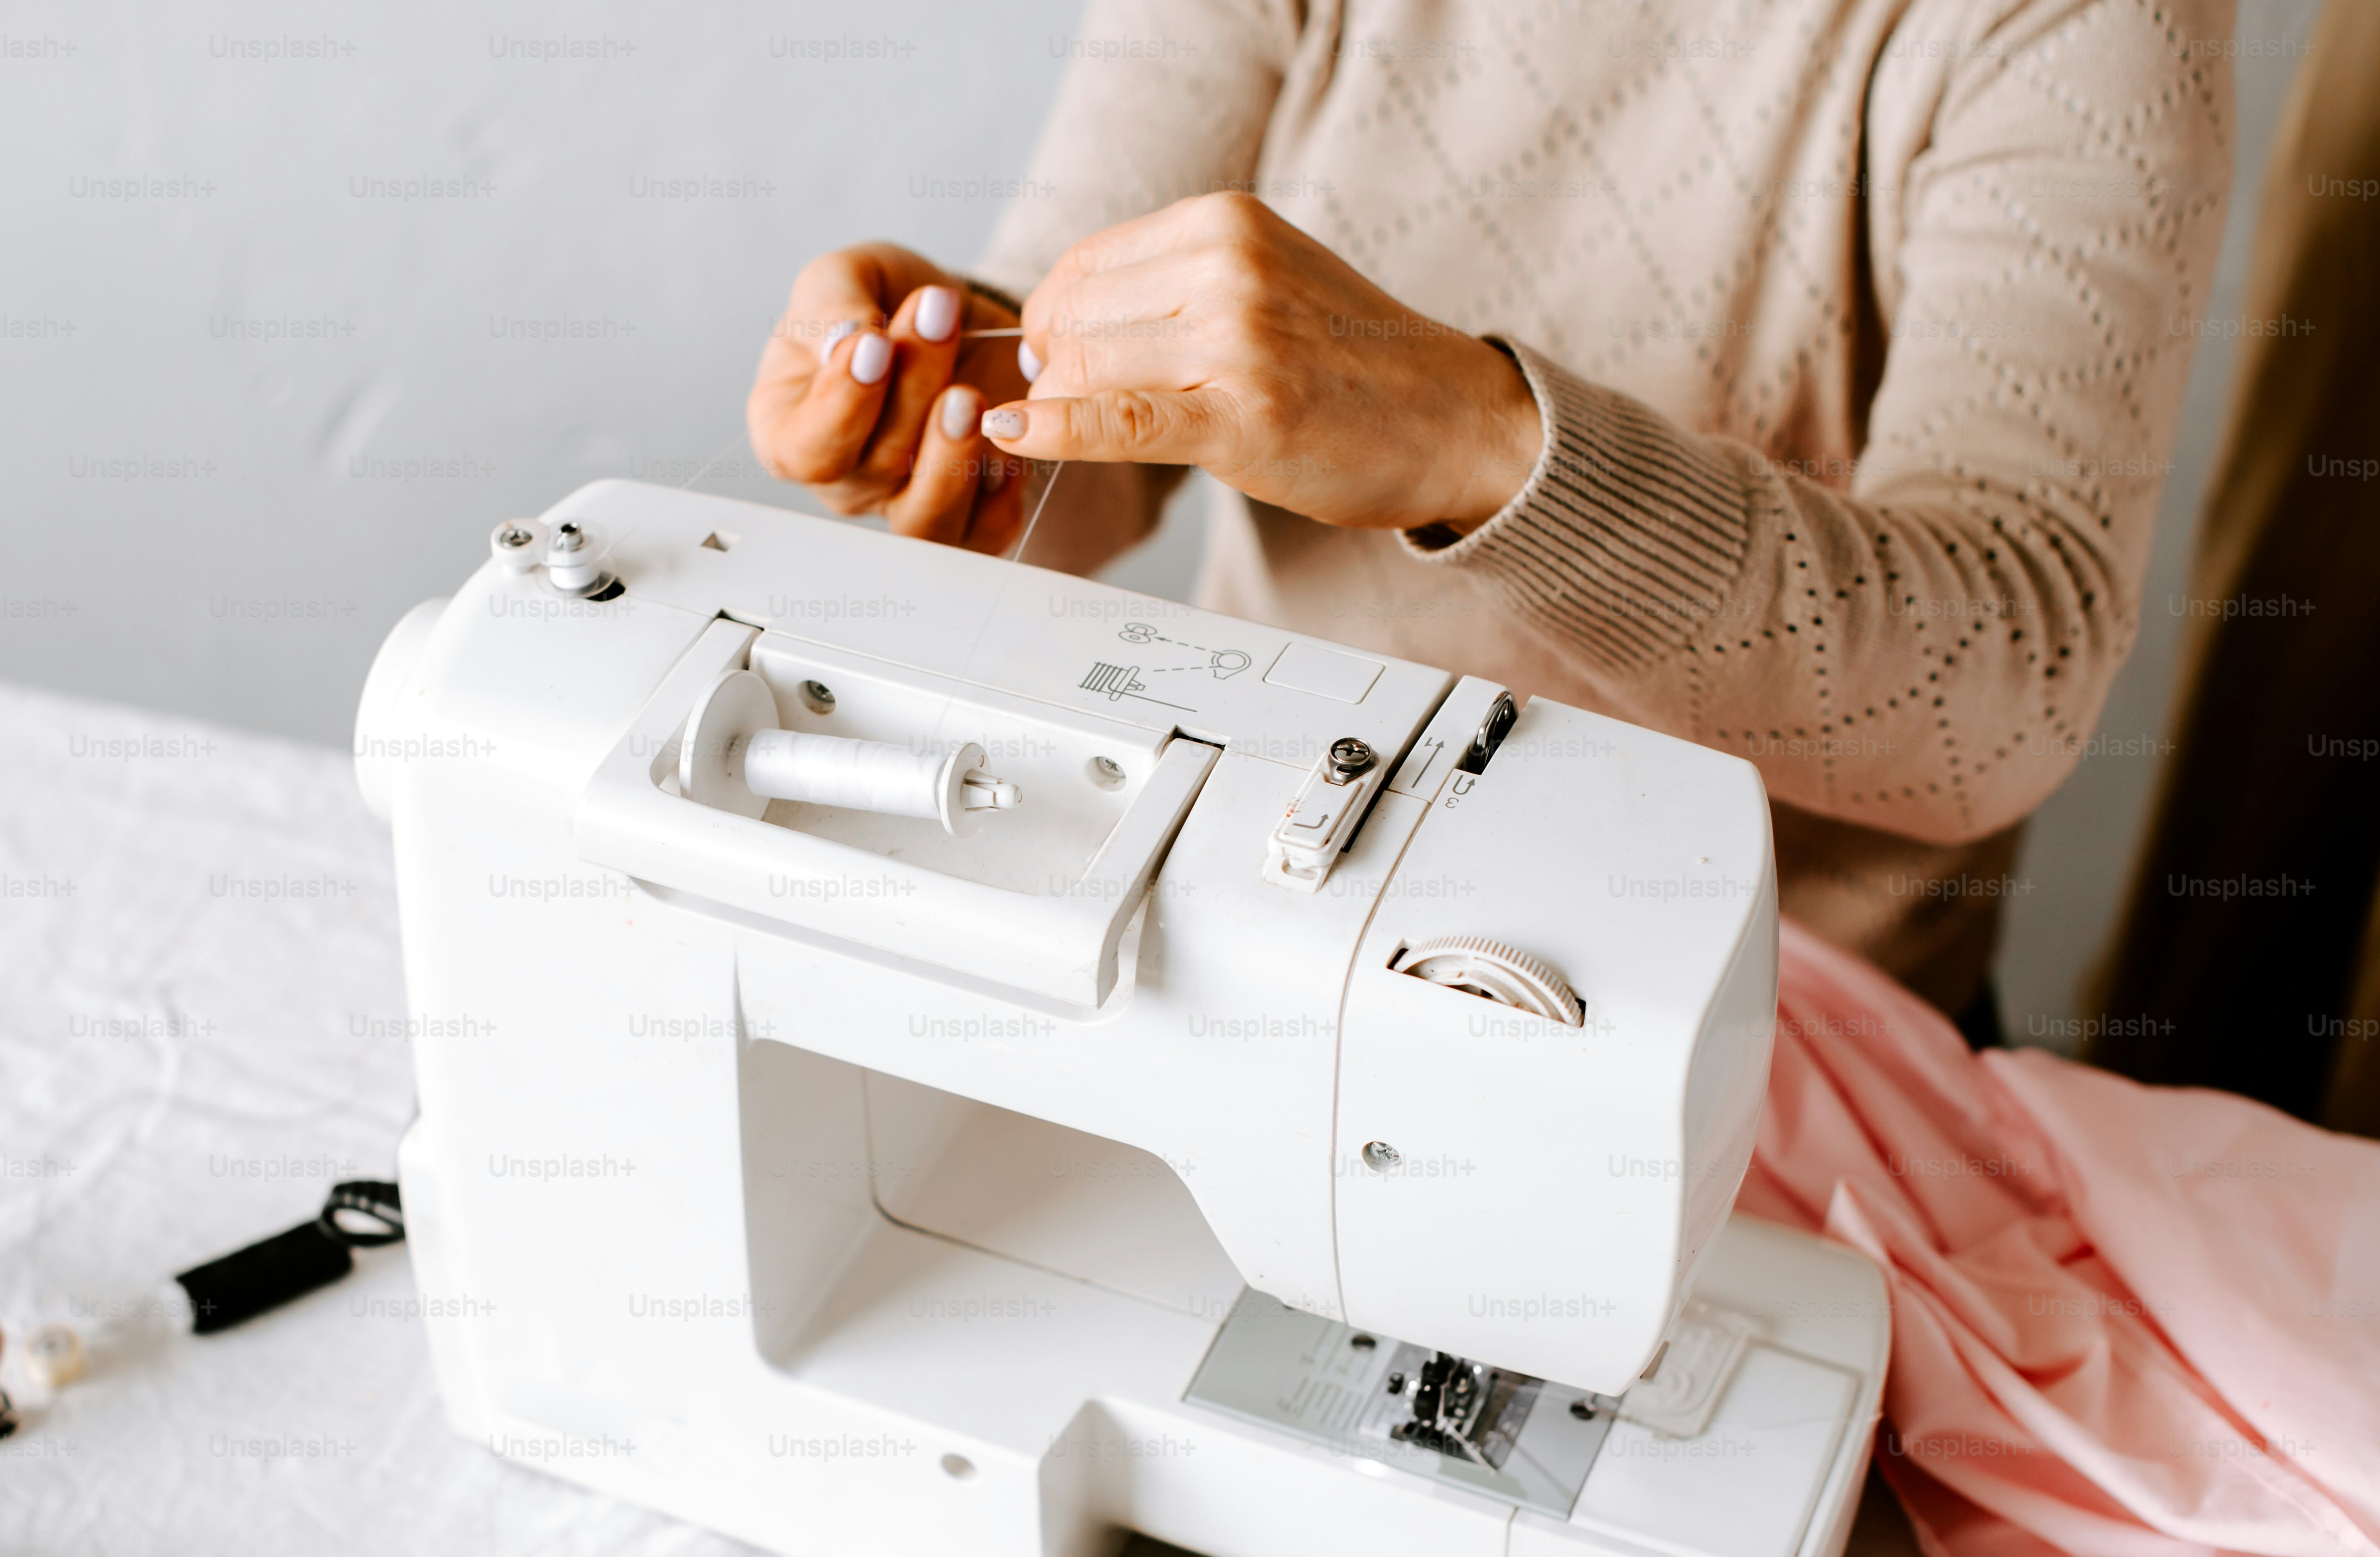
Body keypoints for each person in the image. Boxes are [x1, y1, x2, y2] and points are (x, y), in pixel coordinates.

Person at [746, 0, 2232, 1032]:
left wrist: (1480, 442)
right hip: (1257, 935)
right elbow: (1098, 474)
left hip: (1765, 1053)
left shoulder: (2083, 28)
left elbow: (2002, 684)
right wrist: (957, 429)